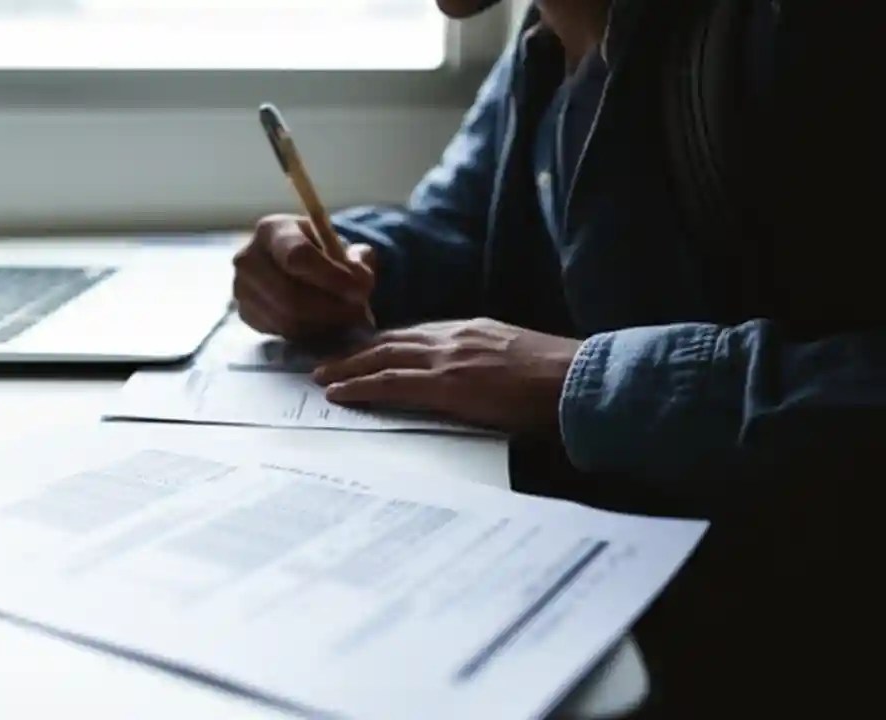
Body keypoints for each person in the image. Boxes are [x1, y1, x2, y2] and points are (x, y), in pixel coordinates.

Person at [234, 0, 869, 715]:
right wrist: (338, 264)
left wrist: (578, 382)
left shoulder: (813, 33)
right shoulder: (545, 34)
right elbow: (464, 227)